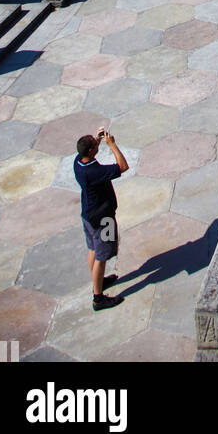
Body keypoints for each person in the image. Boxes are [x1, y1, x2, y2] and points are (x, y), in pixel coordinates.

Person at [74, 129, 129, 311]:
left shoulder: (78, 163)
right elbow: (122, 166)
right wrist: (111, 144)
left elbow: (86, 149)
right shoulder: (94, 171)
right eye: (95, 144)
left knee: (92, 248)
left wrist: (96, 141)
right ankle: (98, 298)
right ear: (90, 152)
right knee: (102, 256)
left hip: (88, 215)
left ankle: (98, 281)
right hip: (102, 218)